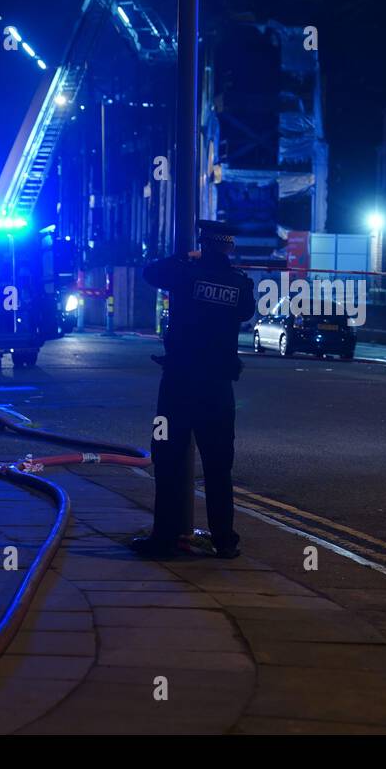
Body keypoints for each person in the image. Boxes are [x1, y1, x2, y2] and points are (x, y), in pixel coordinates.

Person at [133, 220, 255, 559]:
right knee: (218, 467)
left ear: (202, 244)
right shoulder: (240, 285)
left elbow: (151, 273)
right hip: (218, 388)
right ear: (229, 247)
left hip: (179, 384)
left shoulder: (184, 274)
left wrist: (183, 257)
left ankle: (164, 539)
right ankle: (225, 541)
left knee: (168, 460)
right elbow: (246, 311)